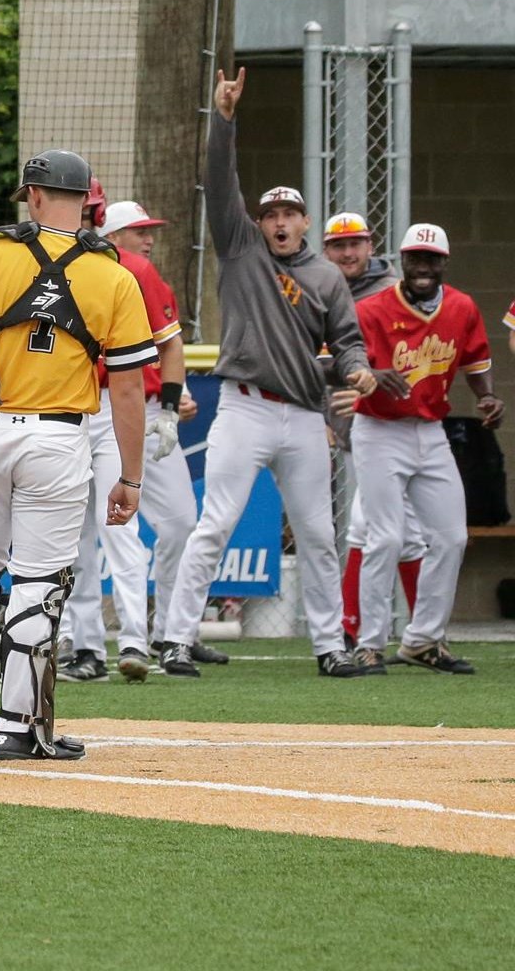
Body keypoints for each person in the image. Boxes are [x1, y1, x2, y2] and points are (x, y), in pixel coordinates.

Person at [0, 148, 156, 761]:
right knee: (38, 583)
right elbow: (127, 389)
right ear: (87, 202)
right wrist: (131, 477)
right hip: (58, 440)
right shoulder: (114, 276)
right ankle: (19, 728)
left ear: (34, 196)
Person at [159, 69, 377, 680]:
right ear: (258, 222)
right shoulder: (241, 249)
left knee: (318, 534)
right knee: (214, 525)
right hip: (246, 406)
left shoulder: (327, 277)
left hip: (304, 416)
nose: (279, 221)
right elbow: (218, 184)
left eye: (290, 213)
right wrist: (224, 119)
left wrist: (357, 370)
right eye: (271, 213)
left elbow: (347, 342)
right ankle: (176, 640)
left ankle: (330, 647)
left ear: (306, 223)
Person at [55, 200, 205, 683]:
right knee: (78, 533)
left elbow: (170, 342)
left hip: (127, 404)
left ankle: (145, 637)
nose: (149, 238)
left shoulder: (135, 269)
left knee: (134, 524)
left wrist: (169, 407)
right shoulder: (49, 264)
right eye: (139, 230)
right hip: (74, 405)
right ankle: (89, 646)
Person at [346, 223, 499, 674]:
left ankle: (423, 640)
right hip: (378, 429)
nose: (423, 267)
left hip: (431, 430)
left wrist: (488, 396)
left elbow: (476, 361)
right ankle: (370, 643)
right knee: (386, 537)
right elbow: (334, 359)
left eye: (431, 259)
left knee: (451, 536)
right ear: (403, 260)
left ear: (444, 263)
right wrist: (368, 373)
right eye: (415, 258)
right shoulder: (372, 308)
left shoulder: (461, 306)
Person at [322, 211, 423, 655]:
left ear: (370, 246)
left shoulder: (391, 291)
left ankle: (357, 626)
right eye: (338, 245)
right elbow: (311, 359)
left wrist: (366, 391)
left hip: (394, 425)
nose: (348, 253)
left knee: (378, 527)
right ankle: (419, 631)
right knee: (385, 528)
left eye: (355, 244)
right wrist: (322, 414)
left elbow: (413, 363)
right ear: (326, 250)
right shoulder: (317, 288)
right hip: (350, 426)